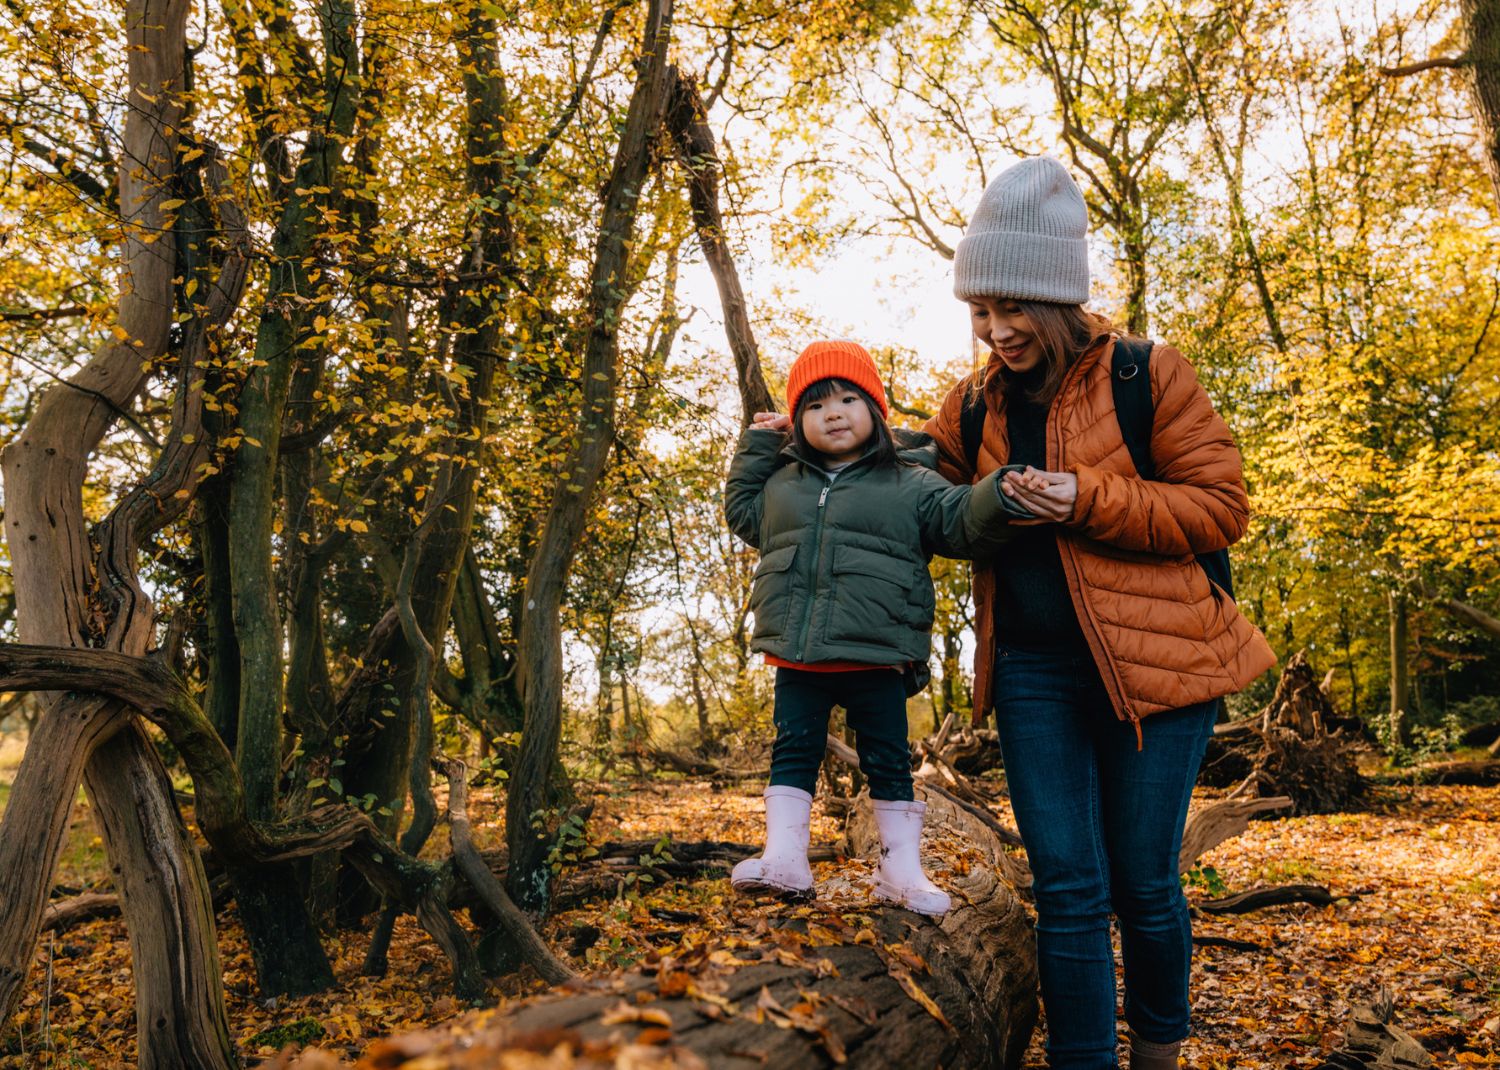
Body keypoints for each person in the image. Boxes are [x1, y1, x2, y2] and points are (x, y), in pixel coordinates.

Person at [921, 157, 1277, 1068]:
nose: (996, 332)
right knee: (1069, 886)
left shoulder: (1145, 374)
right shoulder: (968, 408)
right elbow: (921, 502)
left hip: (1161, 670)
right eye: (980, 313)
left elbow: (1220, 508)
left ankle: (1160, 1053)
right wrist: (804, 435)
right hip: (1036, 675)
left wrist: (1088, 496)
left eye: (1012, 310)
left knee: (1145, 882)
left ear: (1055, 296)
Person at [723, 339, 1016, 916]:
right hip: (798, 654)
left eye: (847, 399)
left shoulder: (911, 479)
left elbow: (957, 524)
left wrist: (999, 492)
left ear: (875, 410)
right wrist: (760, 441)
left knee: (886, 758)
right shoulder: (783, 483)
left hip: (878, 652)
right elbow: (742, 512)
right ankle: (785, 857)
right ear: (796, 422)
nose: (832, 413)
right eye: (814, 405)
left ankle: (901, 871)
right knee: (794, 751)